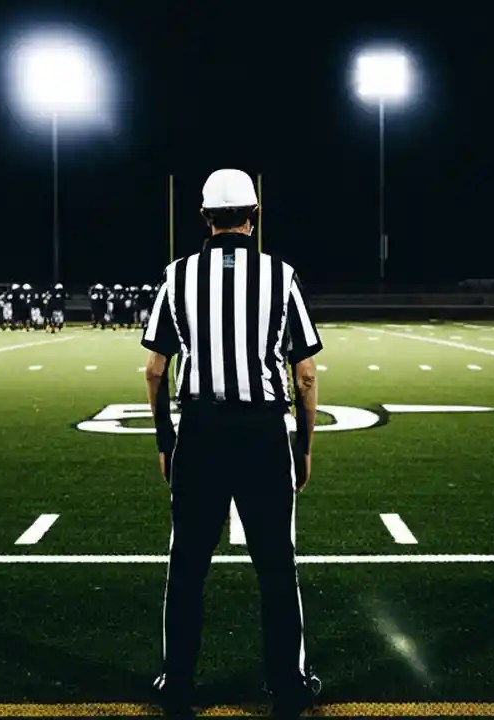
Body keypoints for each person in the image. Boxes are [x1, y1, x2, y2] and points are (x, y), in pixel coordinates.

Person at [141, 168, 323, 719]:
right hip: (263, 431)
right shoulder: (280, 275)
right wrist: (304, 445)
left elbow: (154, 370)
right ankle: (287, 686)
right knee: (275, 564)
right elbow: (307, 374)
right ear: (254, 214)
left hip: (200, 430)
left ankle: (178, 685)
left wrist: (166, 440)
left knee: (188, 563)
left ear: (203, 218)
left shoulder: (177, 277)